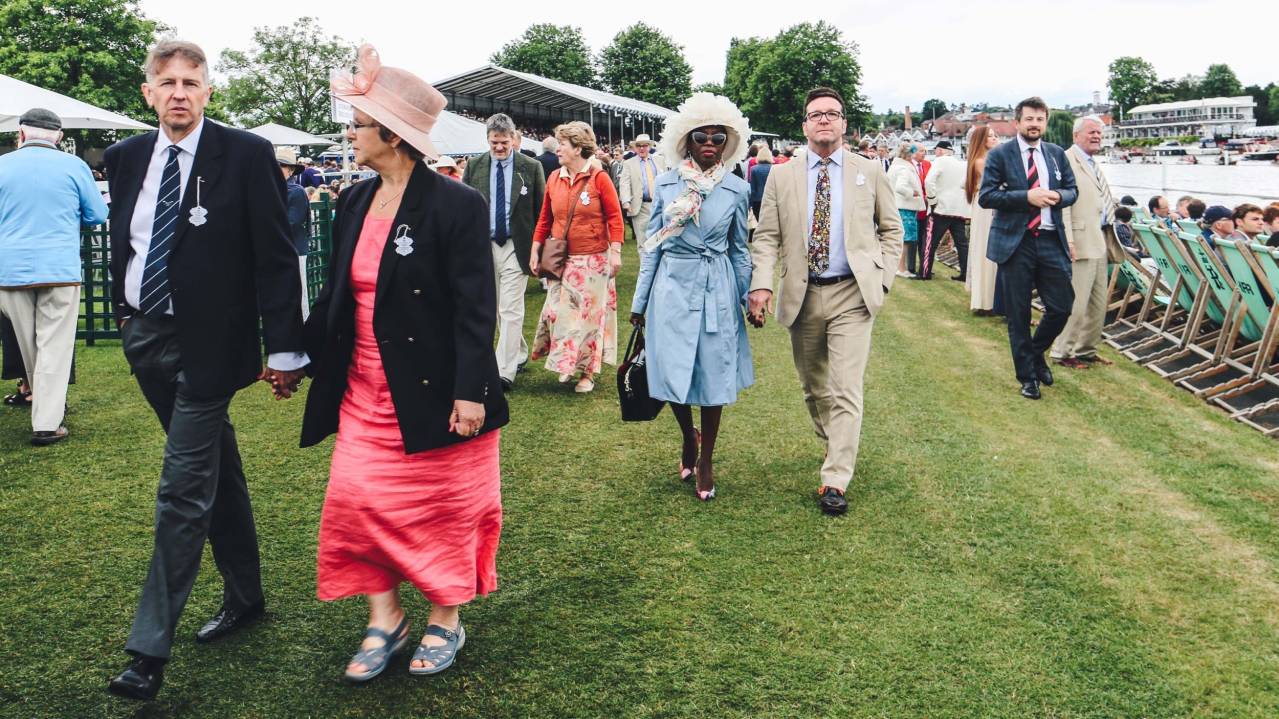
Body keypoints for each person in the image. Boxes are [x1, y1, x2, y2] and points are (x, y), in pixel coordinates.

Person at [104, 40, 307, 701]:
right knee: (217, 468)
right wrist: (128, 316)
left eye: (192, 81)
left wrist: (283, 349)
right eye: (167, 82)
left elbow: (278, 258)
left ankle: (147, 652)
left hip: (210, 352)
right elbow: (128, 245)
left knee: (182, 489)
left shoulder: (244, 155)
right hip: (147, 340)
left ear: (209, 91)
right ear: (149, 93)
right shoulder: (128, 156)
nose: (180, 92)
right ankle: (246, 594)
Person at [303, 45, 508, 682]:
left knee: (446, 511)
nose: (349, 133)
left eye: (358, 124)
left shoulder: (455, 205)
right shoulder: (355, 201)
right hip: (363, 390)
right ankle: (384, 618)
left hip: (438, 391)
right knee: (355, 503)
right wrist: (290, 355)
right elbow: (336, 294)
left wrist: (470, 389)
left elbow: (477, 307)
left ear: (392, 134)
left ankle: (446, 619)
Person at [747, 86, 904, 516]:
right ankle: (838, 440)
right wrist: (761, 284)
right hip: (803, 293)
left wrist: (883, 279)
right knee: (814, 388)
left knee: (846, 387)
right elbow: (767, 237)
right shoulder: (782, 175)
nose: (824, 121)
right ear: (804, 125)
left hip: (852, 293)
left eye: (832, 114)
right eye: (816, 115)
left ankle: (835, 477)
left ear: (844, 124)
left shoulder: (868, 171)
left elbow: (892, 231)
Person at [629, 93, 754, 502]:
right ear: (686, 139)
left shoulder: (736, 189)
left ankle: (706, 459)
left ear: (726, 144)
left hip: (716, 284)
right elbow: (653, 246)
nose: (710, 143)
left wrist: (746, 294)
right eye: (702, 135)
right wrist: (639, 302)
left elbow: (739, 249)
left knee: (714, 374)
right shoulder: (664, 185)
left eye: (719, 138)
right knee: (670, 371)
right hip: (672, 285)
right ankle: (688, 435)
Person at [0, 107, 107, 445]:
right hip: (59, 267)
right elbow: (97, 214)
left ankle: (44, 408)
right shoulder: (74, 166)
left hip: (9, 269)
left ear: (20, 134)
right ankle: (46, 421)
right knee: (53, 345)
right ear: (59, 137)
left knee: (30, 344)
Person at [978, 96, 1078, 401]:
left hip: (1050, 239)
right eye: (1029, 119)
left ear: (1045, 121)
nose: (1034, 124)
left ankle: (1035, 353)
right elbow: (987, 196)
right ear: (1017, 122)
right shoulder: (1001, 155)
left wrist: (1059, 197)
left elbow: (1072, 190)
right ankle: (1028, 377)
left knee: (1062, 306)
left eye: (1040, 119)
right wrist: (1026, 197)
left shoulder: (1057, 154)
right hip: (1015, 242)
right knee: (1018, 314)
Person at [529, 121, 625, 393]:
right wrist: (536, 248)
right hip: (562, 259)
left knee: (588, 319)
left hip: (593, 260)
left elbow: (615, 218)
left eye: (562, 144)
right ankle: (566, 363)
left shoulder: (599, 178)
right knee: (556, 313)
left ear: (578, 148)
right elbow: (545, 218)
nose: (557, 148)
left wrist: (615, 252)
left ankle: (587, 372)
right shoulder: (554, 178)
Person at [462, 113, 546, 392]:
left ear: (514, 138)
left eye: (504, 142)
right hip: (483, 246)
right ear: (488, 139)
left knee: (511, 308)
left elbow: (541, 210)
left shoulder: (530, 167)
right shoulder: (474, 166)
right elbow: (464, 209)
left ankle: (503, 371)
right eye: (494, 142)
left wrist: (539, 248)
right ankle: (517, 351)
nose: (499, 147)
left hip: (516, 246)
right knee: (496, 308)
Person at [1050, 115, 1116, 371]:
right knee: (1076, 303)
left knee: (1099, 304)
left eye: (1099, 133)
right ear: (1076, 135)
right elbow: (1062, 202)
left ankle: (1086, 349)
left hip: (1098, 240)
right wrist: (1068, 240)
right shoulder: (1067, 160)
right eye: (1091, 132)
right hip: (1078, 240)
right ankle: (1062, 350)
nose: (1096, 136)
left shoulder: (1092, 163)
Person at [965, 126, 1000, 314]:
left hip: (988, 206)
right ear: (982, 141)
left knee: (990, 251)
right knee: (985, 249)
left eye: (995, 136)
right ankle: (984, 300)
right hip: (986, 208)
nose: (995, 139)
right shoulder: (980, 161)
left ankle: (992, 297)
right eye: (991, 137)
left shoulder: (986, 160)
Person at [923, 139, 969, 281]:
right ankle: (965, 274)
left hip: (941, 208)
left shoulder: (940, 161)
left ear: (940, 151)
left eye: (936, 150)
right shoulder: (963, 164)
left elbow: (928, 181)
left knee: (931, 242)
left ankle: (925, 273)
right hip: (959, 209)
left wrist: (932, 200)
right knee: (962, 244)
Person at [277, 147, 313, 320]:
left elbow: (292, 222)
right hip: (278, 250)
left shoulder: (296, 191)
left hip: (294, 250)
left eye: (282, 165)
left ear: (290, 170)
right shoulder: (271, 190)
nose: (276, 168)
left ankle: (304, 331)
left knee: (299, 294)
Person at [618, 134, 667, 254]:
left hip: (660, 205)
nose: (641, 148)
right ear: (635, 148)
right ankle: (645, 271)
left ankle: (659, 270)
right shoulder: (628, 163)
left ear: (649, 147)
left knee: (662, 240)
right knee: (643, 242)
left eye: (644, 145)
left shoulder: (660, 161)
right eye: (638, 146)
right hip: (640, 207)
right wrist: (626, 201)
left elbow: (667, 180)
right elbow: (624, 183)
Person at [888, 142, 924, 278]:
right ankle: (901, 269)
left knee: (901, 239)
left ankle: (899, 267)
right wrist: (913, 193)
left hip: (898, 206)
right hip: (906, 207)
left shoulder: (895, 166)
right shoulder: (904, 168)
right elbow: (900, 187)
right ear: (909, 154)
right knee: (905, 239)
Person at [749, 144, 774, 219]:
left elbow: (752, 188)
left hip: (757, 200)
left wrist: (750, 204)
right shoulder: (774, 168)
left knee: (759, 222)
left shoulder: (754, 169)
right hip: (771, 200)